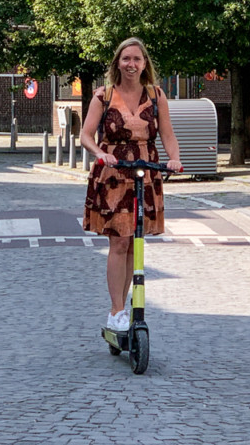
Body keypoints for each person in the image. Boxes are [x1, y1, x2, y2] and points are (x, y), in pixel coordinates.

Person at [80, 37, 182, 332]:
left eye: (137, 59)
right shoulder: (103, 96)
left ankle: (126, 308)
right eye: (126, 59)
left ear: (144, 64)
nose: (131, 64)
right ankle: (116, 310)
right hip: (113, 174)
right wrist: (100, 154)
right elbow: (86, 134)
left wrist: (174, 160)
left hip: (146, 172)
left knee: (135, 242)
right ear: (117, 63)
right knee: (119, 241)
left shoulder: (156, 95)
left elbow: (168, 135)